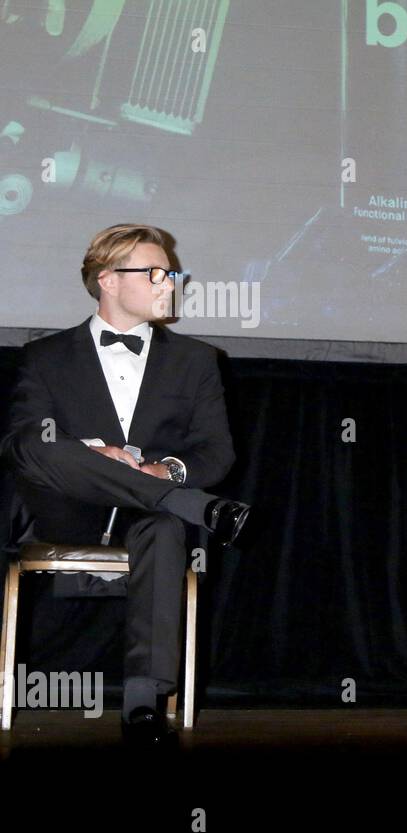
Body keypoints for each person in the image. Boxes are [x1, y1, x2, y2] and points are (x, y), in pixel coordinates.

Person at [1, 224, 250, 745]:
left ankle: (142, 703)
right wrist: (94, 454)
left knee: (163, 529)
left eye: (172, 273)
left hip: (147, 513)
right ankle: (192, 506)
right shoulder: (46, 356)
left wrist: (168, 472)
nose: (170, 284)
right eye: (156, 273)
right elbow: (27, 439)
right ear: (109, 280)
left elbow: (216, 451)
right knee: (31, 444)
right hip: (69, 506)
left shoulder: (196, 360)